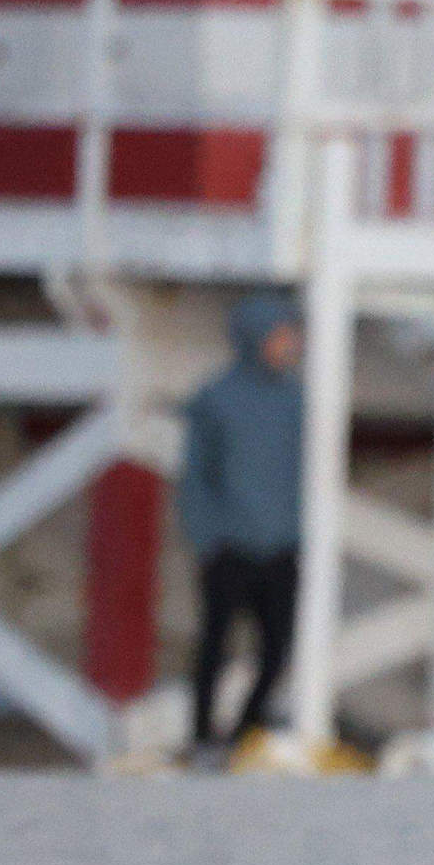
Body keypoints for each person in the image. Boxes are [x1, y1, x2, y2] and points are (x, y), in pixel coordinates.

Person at [173, 290, 305, 764]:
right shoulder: (216, 398)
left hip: (282, 545)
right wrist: (207, 539)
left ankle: (244, 730)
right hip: (229, 545)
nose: (291, 343)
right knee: (215, 643)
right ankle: (202, 735)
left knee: (279, 647)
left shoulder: (297, 398)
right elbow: (195, 475)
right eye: (281, 334)